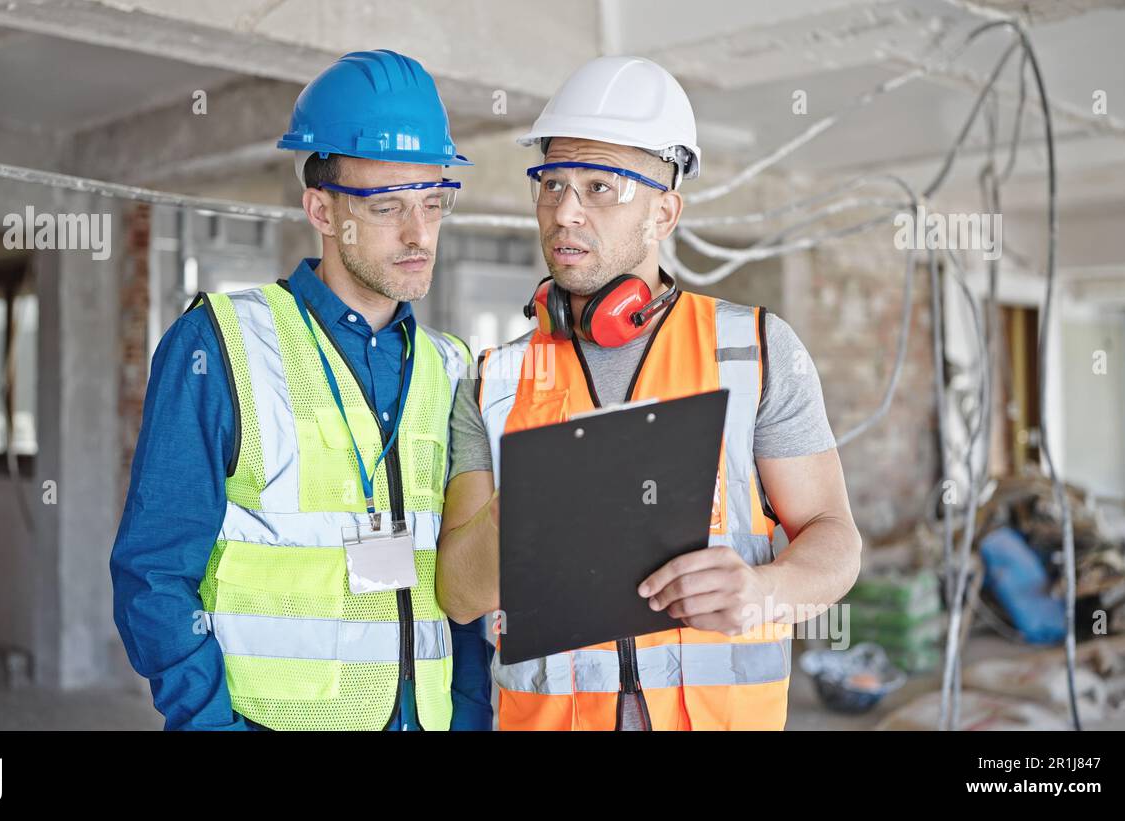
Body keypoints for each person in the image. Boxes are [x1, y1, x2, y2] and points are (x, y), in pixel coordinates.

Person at [436, 56, 862, 730]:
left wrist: (765, 589)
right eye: (550, 183)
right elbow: (459, 595)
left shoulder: (754, 350)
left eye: (599, 187)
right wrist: (528, 510)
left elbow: (835, 541)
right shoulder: (490, 381)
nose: (564, 211)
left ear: (664, 211)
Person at [112, 49, 493, 731]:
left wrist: (468, 714)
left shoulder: (452, 366)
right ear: (321, 208)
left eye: (434, 202)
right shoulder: (220, 344)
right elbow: (153, 575)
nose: (419, 234)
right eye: (387, 207)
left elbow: (459, 586)